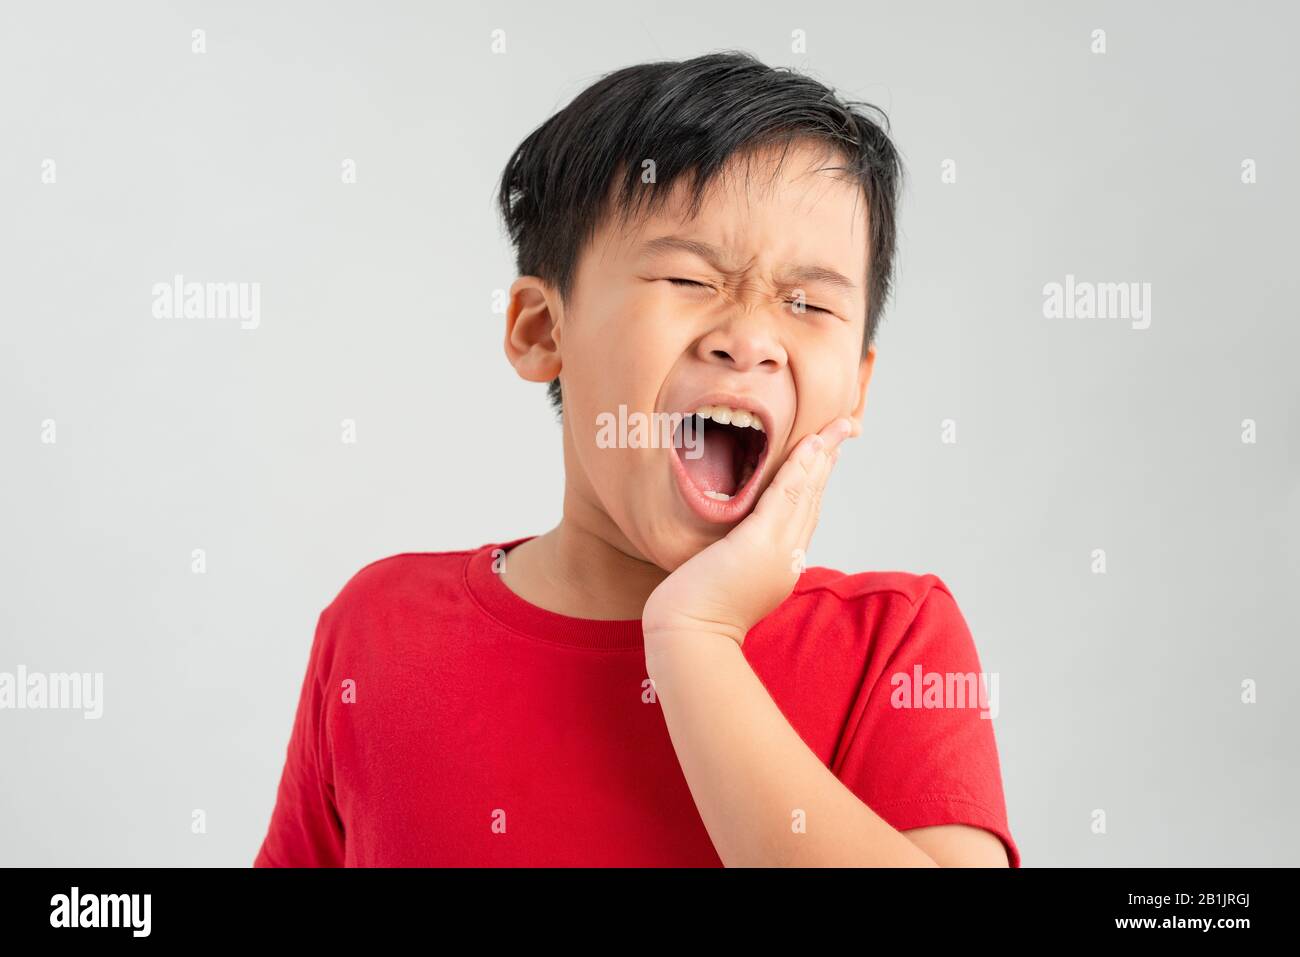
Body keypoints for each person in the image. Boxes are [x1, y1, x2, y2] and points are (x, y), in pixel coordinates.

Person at [254, 50, 1019, 867]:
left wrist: (696, 640)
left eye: (807, 302)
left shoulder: (894, 645)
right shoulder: (378, 631)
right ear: (542, 330)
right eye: (690, 279)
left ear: (858, 387)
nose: (752, 339)